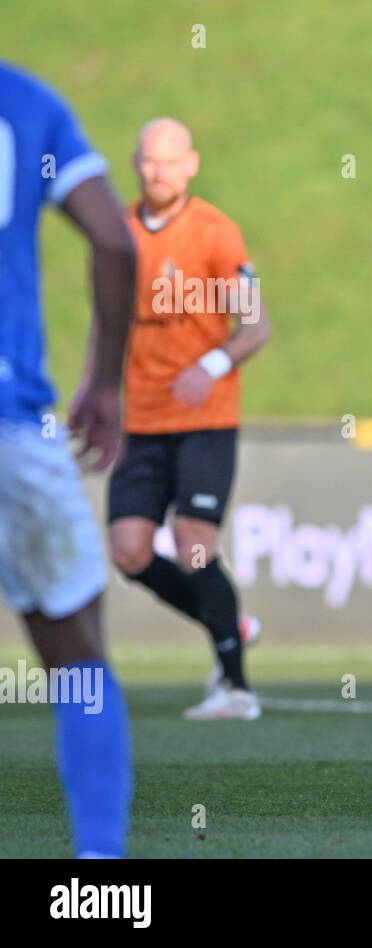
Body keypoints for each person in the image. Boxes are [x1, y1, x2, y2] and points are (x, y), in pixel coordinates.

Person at [90, 117, 271, 720]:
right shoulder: (116, 235)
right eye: (147, 160)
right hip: (141, 421)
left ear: (190, 164)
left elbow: (256, 326)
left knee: (195, 547)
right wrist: (96, 390)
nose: (157, 171)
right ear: (136, 164)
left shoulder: (216, 233)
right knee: (129, 551)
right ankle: (228, 622)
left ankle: (237, 688)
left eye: (168, 161)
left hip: (203, 419)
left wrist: (212, 364)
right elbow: (105, 323)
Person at [0, 61, 136, 855]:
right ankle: (97, 875)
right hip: (12, 425)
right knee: (77, 651)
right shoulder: (25, 104)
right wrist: (105, 384)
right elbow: (115, 243)